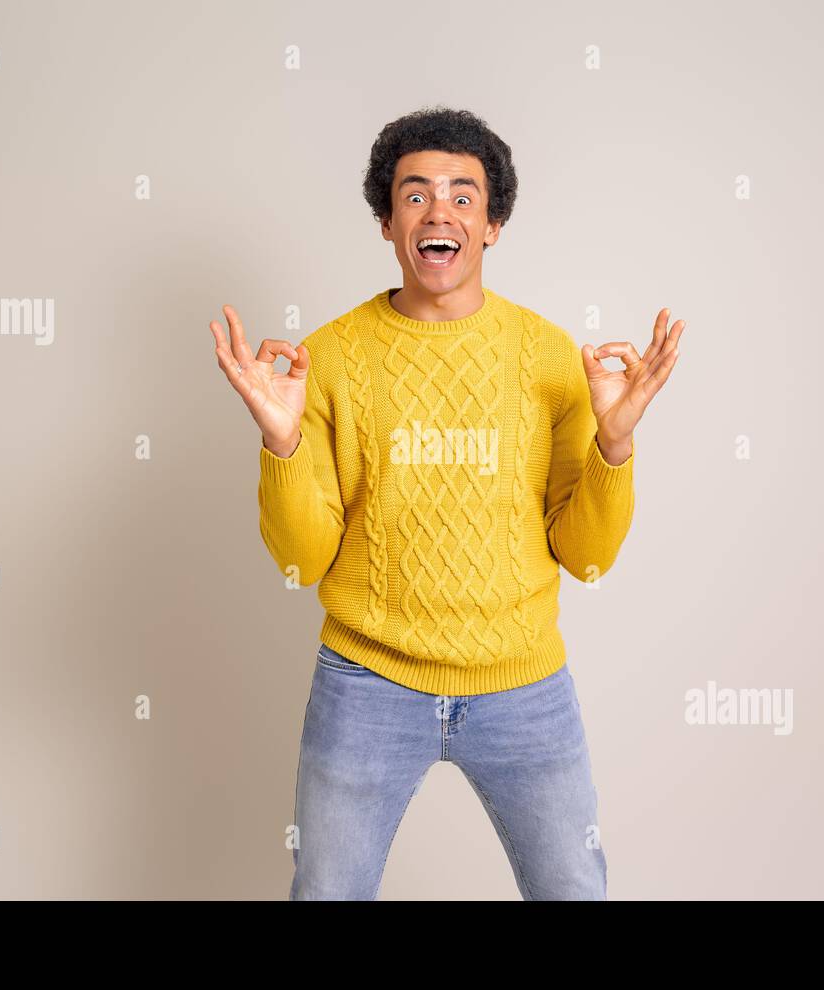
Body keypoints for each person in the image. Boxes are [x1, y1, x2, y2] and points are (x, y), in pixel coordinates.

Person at [209, 106, 686, 899]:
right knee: (325, 893)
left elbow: (587, 556)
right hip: (367, 683)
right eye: (416, 195)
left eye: (464, 197)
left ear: (493, 224)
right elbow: (301, 560)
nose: (440, 213)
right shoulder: (326, 358)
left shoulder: (547, 358)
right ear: (387, 220)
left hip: (522, 686)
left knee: (574, 890)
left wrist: (614, 446)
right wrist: (283, 445)